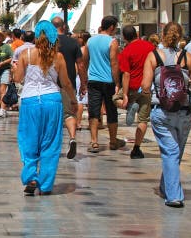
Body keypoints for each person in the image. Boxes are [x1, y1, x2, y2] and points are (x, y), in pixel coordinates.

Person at [140, 22, 191, 208]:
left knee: (171, 152)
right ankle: (167, 186)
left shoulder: (153, 56)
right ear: (181, 36)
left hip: (162, 111)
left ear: (163, 35)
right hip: (185, 112)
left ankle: (173, 196)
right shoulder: (187, 57)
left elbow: (145, 86)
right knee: (175, 152)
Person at [13, 21, 77, 196]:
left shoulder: (26, 54)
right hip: (52, 100)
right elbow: (66, 83)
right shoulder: (58, 57)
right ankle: (46, 184)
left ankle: (31, 176)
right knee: (50, 142)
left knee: (28, 139)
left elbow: (18, 79)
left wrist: (15, 70)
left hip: (30, 100)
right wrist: (73, 99)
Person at [85, 16, 123, 154]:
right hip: (108, 81)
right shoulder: (112, 42)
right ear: (111, 27)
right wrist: (117, 82)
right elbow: (114, 63)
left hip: (93, 81)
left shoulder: (90, 41)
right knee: (112, 111)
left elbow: (85, 61)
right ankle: (113, 141)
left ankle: (94, 141)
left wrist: (85, 80)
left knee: (94, 111)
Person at [119, 25, 156, 160]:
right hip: (146, 87)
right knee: (143, 119)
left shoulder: (126, 51)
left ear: (124, 37)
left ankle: (129, 106)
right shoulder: (150, 47)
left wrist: (124, 94)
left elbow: (126, 74)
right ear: (136, 34)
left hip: (132, 86)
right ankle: (136, 148)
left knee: (114, 99)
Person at [51, 17, 86, 160]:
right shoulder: (73, 42)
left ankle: (53, 146)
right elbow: (81, 65)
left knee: (53, 117)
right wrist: (84, 82)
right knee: (68, 114)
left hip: (51, 84)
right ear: (63, 27)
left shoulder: (49, 43)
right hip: (69, 83)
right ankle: (72, 138)